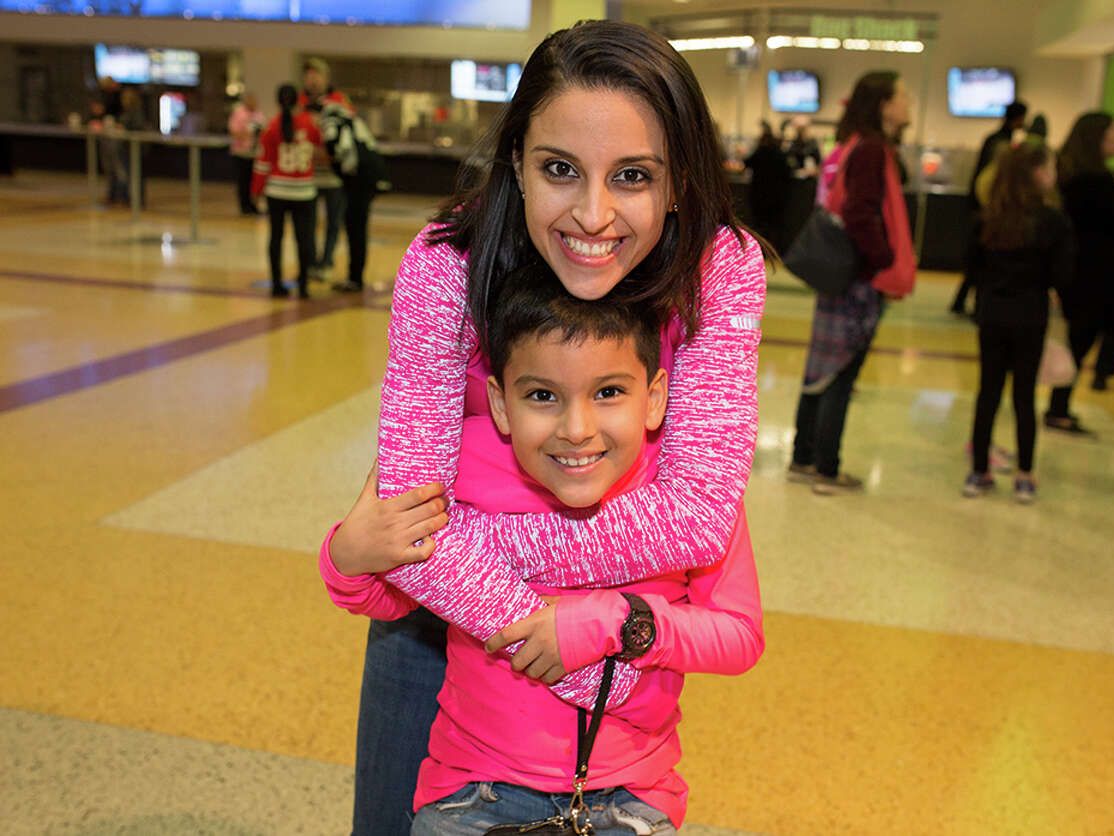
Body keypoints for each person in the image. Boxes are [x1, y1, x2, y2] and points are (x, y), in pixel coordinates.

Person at [316, 20, 766, 836]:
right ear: (515, 161)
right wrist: (580, 662)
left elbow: (700, 514)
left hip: (574, 624)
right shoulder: (448, 262)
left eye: (631, 176)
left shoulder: (719, 267)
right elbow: (409, 514)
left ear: (678, 184)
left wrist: (580, 616)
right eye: (560, 169)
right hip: (441, 621)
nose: (593, 215)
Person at [330, 265, 763, 836]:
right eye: (542, 396)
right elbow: (396, 595)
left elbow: (739, 635)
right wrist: (348, 557)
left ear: (655, 397)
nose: (576, 429)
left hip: (630, 799)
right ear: (501, 404)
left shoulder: (688, 493)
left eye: (608, 392)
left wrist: (622, 622)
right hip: (471, 795)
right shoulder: (460, 471)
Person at [787, 71, 915, 495]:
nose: (908, 102)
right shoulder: (874, 151)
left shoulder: (854, 145)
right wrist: (883, 259)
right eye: (902, 96)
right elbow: (861, 213)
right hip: (858, 279)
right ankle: (826, 467)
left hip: (842, 275)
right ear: (883, 104)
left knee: (820, 370)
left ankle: (803, 457)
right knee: (840, 375)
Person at [962, 142, 1074, 503]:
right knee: (1024, 396)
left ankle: (979, 471)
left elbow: (972, 270)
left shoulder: (987, 220)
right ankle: (1025, 475)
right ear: (1040, 173)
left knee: (988, 393)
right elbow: (1063, 275)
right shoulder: (1053, 222)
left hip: (992, 313)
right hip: (1030, 315)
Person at [1043, 112, 1114, 433]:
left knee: (1077, 341)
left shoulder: (1072, 175)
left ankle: (1059, 404)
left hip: (1081, 273)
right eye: (1111, 136)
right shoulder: (1092, 180)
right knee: (1079, 341)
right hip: (1093, 276)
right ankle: (1058, 407)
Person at [951, 101, 1029, 316]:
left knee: (978, 261)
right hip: (990, 213)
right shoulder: (1006, 145)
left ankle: (965, 302)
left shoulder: (994, 140)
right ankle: (975, 307)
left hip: (982, 212)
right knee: (982, 262)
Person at [252, 83, 321, 299]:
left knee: (276, 238)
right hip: (304, 192)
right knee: (304, 239)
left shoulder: (271, 127)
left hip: (277, 191)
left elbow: (263, 163)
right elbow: (320, 145)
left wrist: (256, 190)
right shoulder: (309, 125)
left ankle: (276, 284)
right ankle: (303, 285)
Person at [319, 97, 387, 292]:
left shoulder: (332, 121)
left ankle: (355, 278)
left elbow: (336, 149)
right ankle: (355, 276)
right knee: (357, 226)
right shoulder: (351, 120)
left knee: (355, 227)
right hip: (367, 180)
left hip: (359, 182)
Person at [302, 57, 349, 281]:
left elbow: (345, 133)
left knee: (333, 222)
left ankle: (326, 263)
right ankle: (310, 263)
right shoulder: (300, 102)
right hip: (308, 175)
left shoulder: (339, 102)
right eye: (308, 74)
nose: (312, 79)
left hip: (333, 176)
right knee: (307, 223)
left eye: (316, 74)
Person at [743, 121, 792, 253]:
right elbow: (788, 173)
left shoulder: (760, 152)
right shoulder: (780, 154)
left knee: (759, 224)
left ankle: (759, 250)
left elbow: (746, 163)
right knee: (775, 226)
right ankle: (774, 251)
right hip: (777, 197)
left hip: (759, 195)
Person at [228, 92, 264, 215]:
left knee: (254, 181)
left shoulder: (258, 114)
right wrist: (247, 133)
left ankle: (254, 205)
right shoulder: (239, 113)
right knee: (243, 181)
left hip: (255, 153)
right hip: (241, 153)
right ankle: (244, 206)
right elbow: (233, 132)